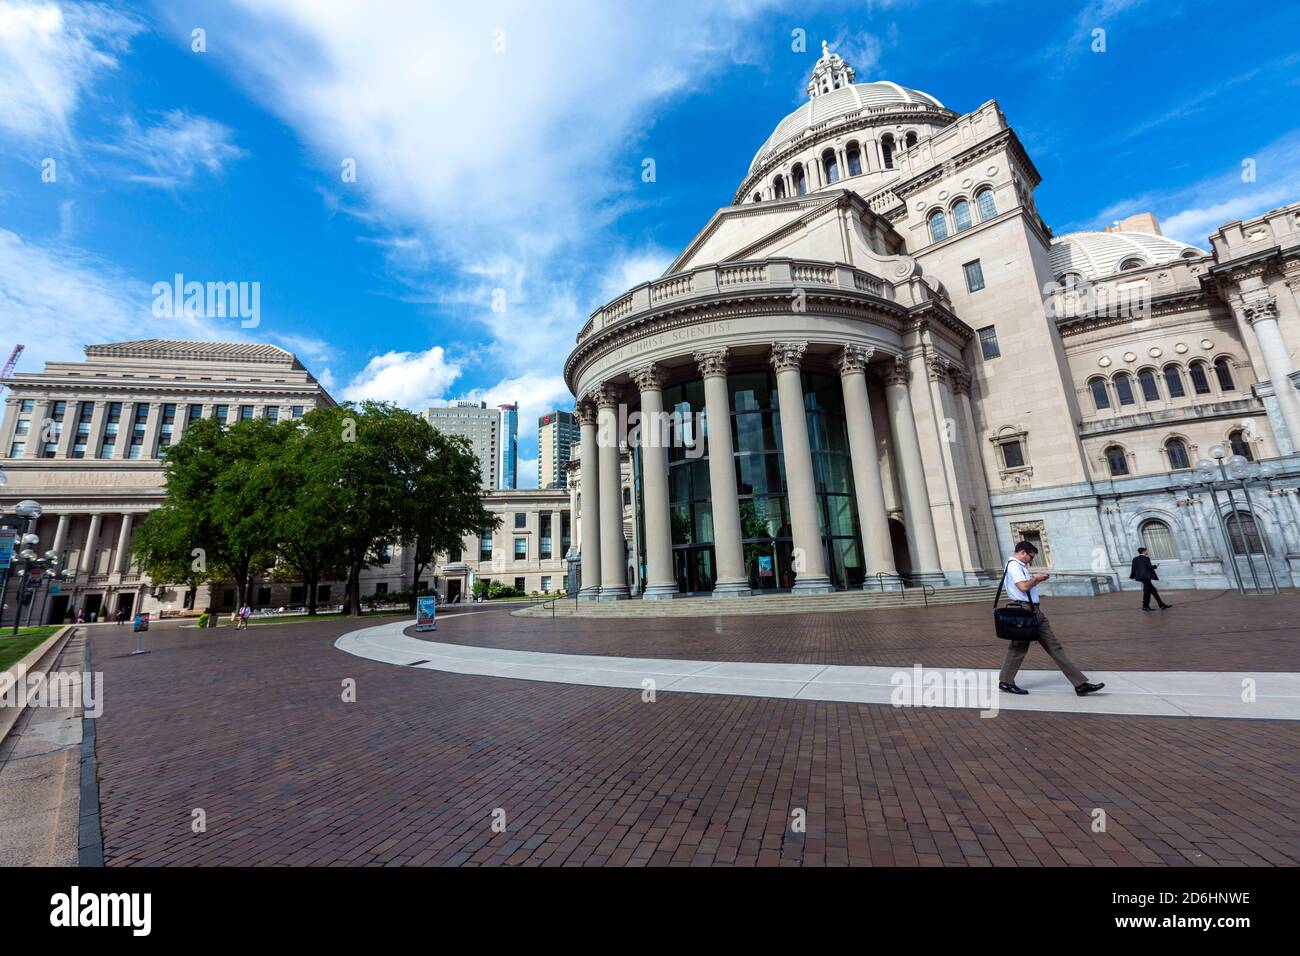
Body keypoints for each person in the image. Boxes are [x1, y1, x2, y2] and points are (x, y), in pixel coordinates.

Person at [998, 541, 1106, 697]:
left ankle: (1080, 684)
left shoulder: (1020, 565)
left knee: (1054, 647)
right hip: (1025, 611)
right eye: (1031, 556)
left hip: (1034, 611)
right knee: (1018, 648)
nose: (1031, 560)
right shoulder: (1014, 565)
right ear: (1022, 552)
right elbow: (1023, 587)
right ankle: (1006, 681)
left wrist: (1036, 579)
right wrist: (1037, 579)